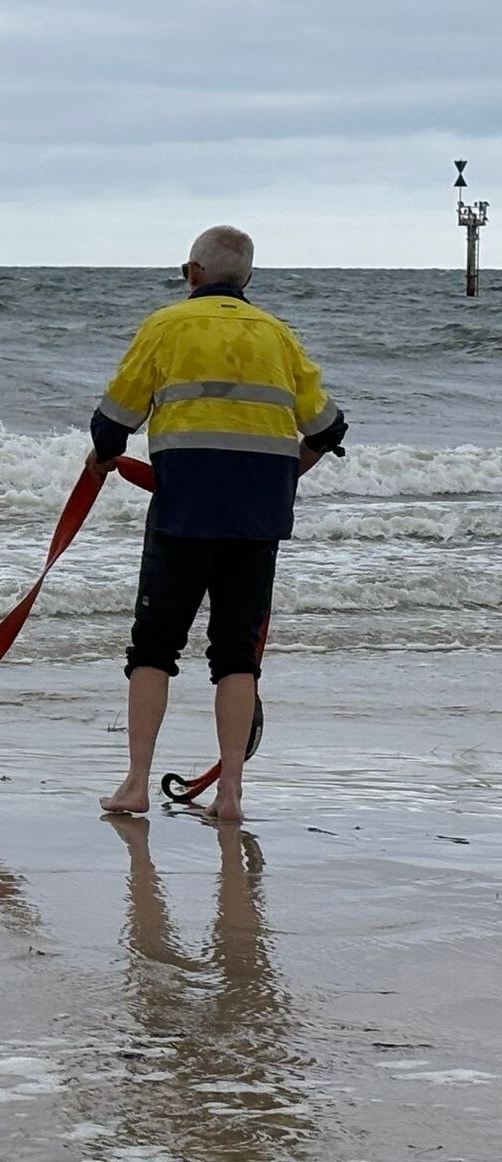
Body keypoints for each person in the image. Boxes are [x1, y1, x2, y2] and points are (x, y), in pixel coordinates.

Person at [87, 226, 347, 823]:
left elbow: (112, 424)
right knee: (236, 657)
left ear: (191, 273)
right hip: (257, 522)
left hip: (182, 515)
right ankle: (230, 793)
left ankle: (135, 785)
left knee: (153, 648)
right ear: (248, 279)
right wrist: (285, 477)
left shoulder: (166, 327)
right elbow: (329, 429)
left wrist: (100, 459)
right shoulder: (279, 336)